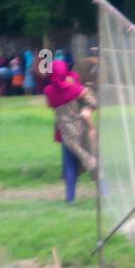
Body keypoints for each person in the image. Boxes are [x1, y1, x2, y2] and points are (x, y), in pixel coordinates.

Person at [44, 59, 97, 202]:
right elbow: (92, 101)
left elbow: (50, 103)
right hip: (82, 131)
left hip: (65, 135)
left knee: (69, 165)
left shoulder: (49, 92)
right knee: (93, 160)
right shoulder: (75, 89)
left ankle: (70, 198)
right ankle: (104, 192)